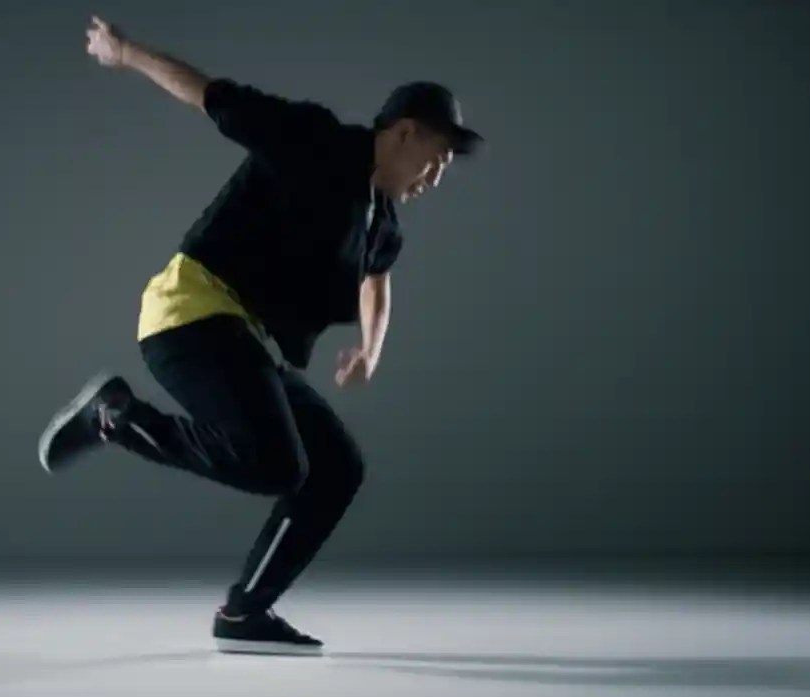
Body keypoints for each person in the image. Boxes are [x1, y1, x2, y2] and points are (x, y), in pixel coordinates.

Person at [38, 15, 483, 655]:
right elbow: (210, 95)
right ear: (404, 133)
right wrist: (125, 52)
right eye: (436, 159)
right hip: (187, 312)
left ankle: (244, 614)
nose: (436, 178)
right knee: (278, 462)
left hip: (246, 341)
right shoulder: (315, 141)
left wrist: (371, 346)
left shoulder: (382, 222)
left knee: (338, 467)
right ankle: (116, 417)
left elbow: (377, 281)